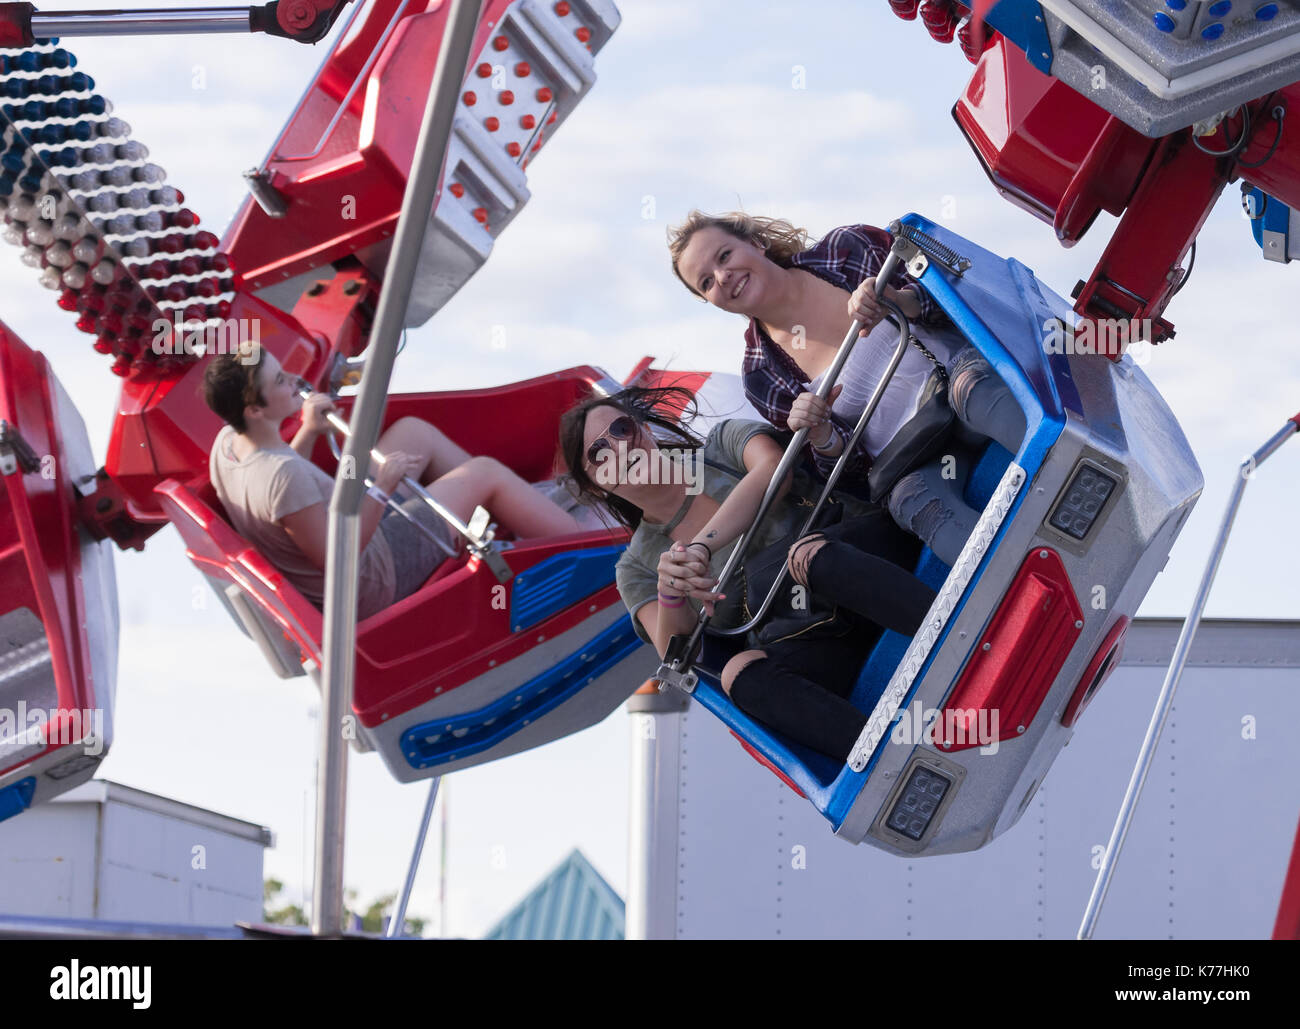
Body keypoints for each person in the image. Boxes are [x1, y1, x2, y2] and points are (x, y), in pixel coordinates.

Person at [558, 384, 938, 764]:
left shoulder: (722, 444)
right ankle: (892, 762)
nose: (619, 447)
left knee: (802, 557)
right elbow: (680, 654)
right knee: (738, 673)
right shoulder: (636, 567)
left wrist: (703, 546)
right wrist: (671, 591)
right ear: (595, 485)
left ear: (642, 427)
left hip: (859, 555)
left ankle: (949, 625)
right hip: (813, 630)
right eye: (600, 452)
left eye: (622, 429)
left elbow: (775, 469)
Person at [668, 211, 1028, 565]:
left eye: (724, 256)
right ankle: (1020, 578)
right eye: (706, 282)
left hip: (957, 382)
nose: (722, 276)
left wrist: (899, 300)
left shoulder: (846, 248)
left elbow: (958, 299)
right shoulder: (760, 374)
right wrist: (821, 433)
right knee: (914, 502)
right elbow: (849, 470)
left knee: (974, 390)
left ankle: (1066, 465)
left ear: (755, 242)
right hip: (911, 456)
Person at [202, 347, 608, 620]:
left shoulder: (228, 445)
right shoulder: (282, 477)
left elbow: (287, 485)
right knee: (484, 472)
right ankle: (588, 547)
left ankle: (522, 510)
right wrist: (382, 487)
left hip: (347, 526)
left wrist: (308, 432)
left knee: (414, 432)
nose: (292, 379)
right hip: (376, 575)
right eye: (278, 382)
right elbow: (339, 559)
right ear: (254, 409)